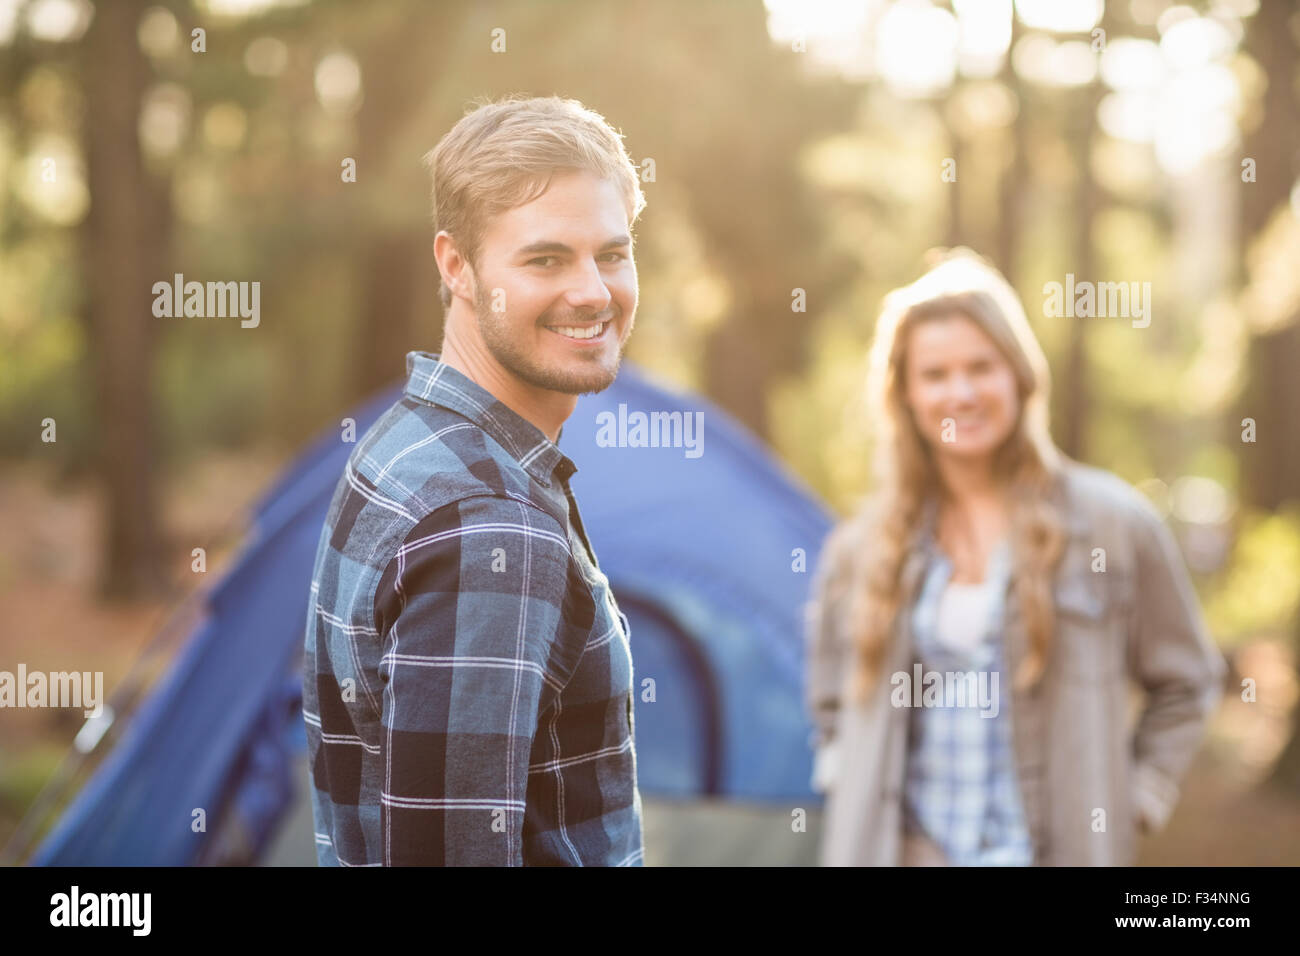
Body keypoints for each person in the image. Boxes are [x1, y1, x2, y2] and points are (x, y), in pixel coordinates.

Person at [303, 95, 646, 865]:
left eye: (612, 253)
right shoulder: (488, 520)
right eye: (546, 258)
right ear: (456, 265)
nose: (593, 291)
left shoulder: (407, 445)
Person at [804, 249, 1226, 866]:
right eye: (936, 374)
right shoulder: (860, 548)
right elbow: (830, 701)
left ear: (1020, 376)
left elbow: (1189, 681)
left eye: (982, 367)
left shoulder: (1113, 523)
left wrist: (1134, 798)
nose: (962, 393)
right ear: (906, 395)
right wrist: (849, 782)